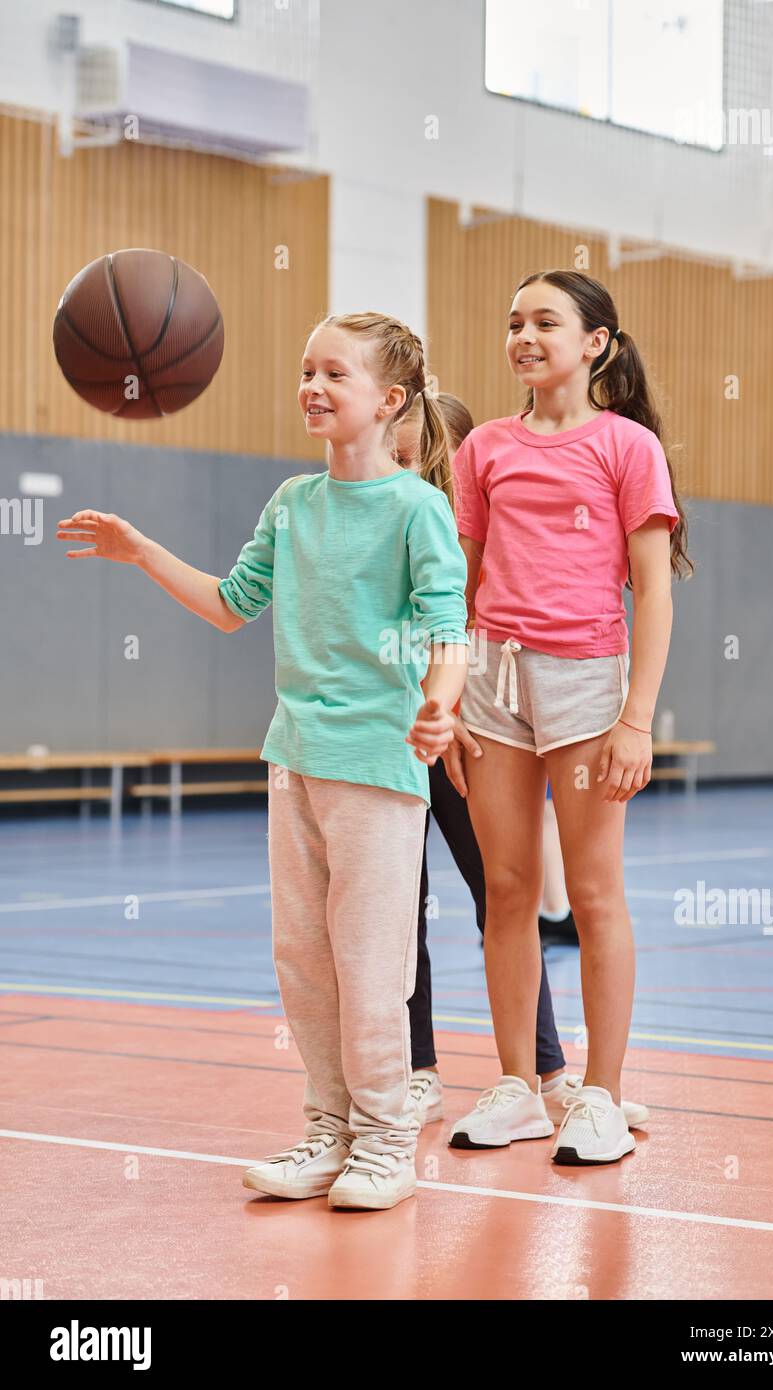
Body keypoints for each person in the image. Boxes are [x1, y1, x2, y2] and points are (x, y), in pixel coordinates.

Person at [55, 311, 469, 1211]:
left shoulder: (417, 507)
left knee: (370, 967)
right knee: (304, 960)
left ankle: (387, 1142)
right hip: (295, 762)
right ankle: (330, 1129)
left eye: (335, 374)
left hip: (379, 770)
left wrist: (440, 703)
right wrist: (138, 552)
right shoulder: (292, 504)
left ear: (390, 400)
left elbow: (447, 628)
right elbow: (231, 603)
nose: (312, 387)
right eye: (306, 369)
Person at [446, 269, 692, 1165]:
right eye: (514, 321)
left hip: (588, 681)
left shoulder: (627, 447)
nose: (525, 335)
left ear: (596, 343)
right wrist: (448, 691)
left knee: (592, 896)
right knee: (506, 891)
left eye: (546, 321)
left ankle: (602, 1097)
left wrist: (637, 717)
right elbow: (459, 582)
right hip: (493, 682)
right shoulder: (486, 451)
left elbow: (653, 592)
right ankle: (519, 1086)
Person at [393, 391, 649, 1133]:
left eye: (418, 457)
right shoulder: (381, 514)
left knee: (503, 893)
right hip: (400, 726)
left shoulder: (481, 518)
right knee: (404, 905)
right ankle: (417, 1069)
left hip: (474, 713)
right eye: (398, 456)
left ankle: (551, 1074)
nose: (406, 467)